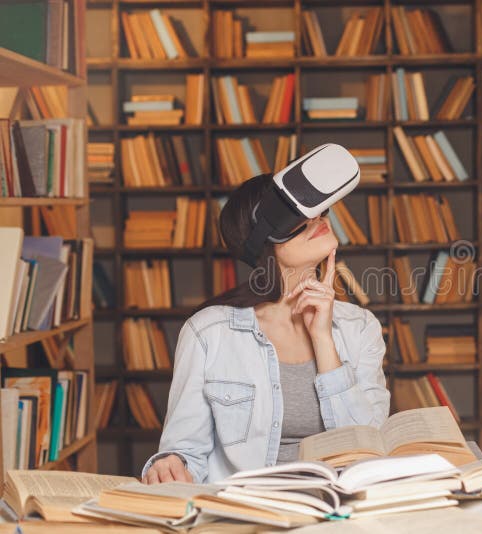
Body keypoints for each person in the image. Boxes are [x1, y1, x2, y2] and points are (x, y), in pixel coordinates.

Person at [141, 173, 390, 484]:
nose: (317, 217)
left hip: (340, 509)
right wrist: (169, 465)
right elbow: (186, 453)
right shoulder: (208, 333)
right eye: (296, 216)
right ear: (262, 240)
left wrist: (323, 339)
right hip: (248, 512)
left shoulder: (360, 328)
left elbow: (369, 448)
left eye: (317, 208)